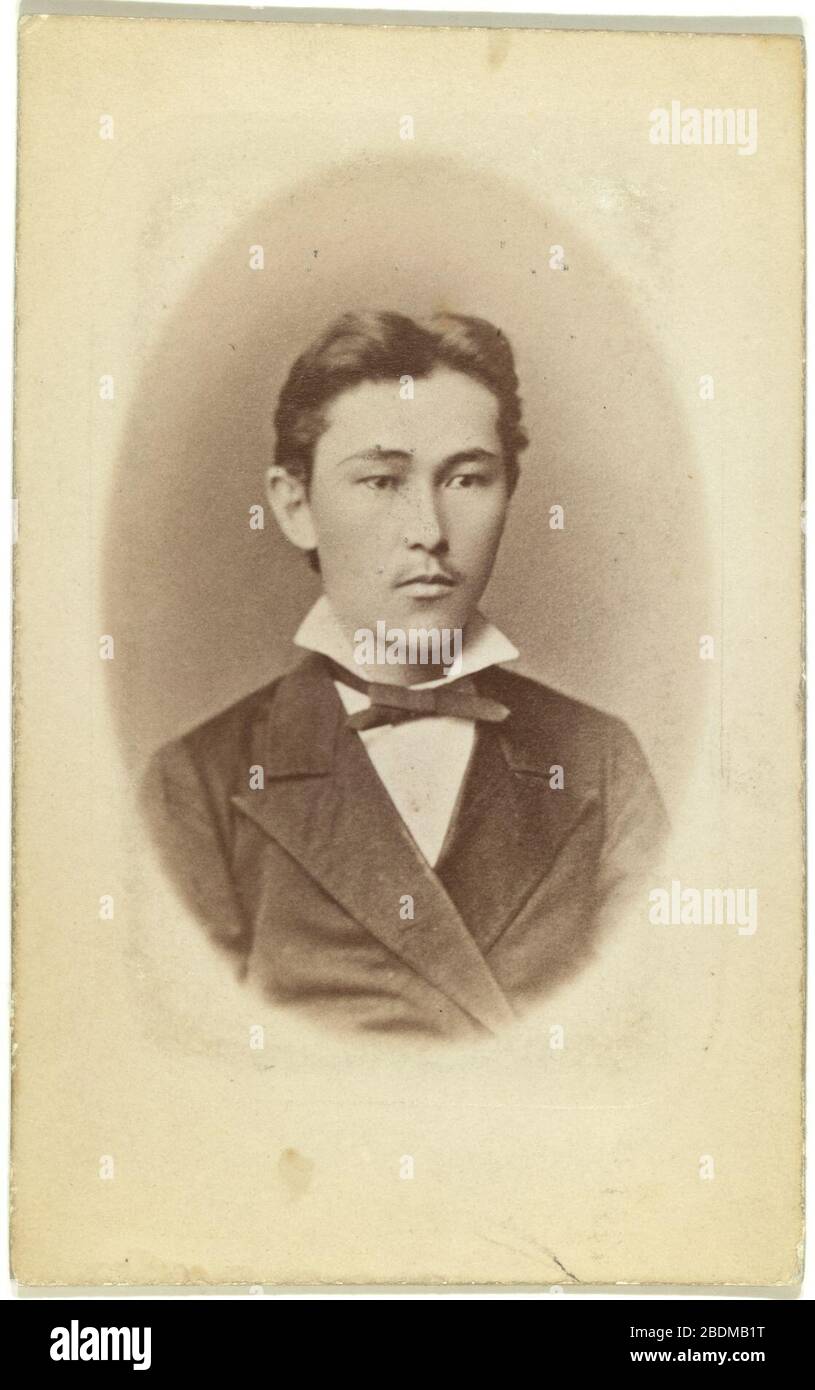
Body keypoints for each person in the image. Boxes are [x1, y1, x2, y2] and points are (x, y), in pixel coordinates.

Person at [141, 309, 669, 1042]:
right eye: (382, 480)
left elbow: (653, 1034)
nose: (428, 527)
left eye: (465, 477)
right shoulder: (198, 787)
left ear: (508, 492)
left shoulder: (599, 763)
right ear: (295, 507)